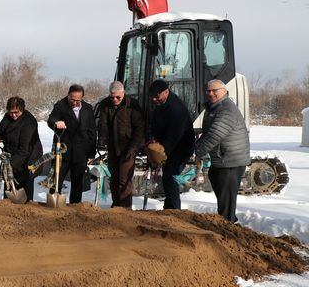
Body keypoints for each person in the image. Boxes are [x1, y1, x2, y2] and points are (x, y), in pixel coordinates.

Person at [194, 79, 251, 222]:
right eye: (208, 91)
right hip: (221, 161)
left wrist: (198, 151)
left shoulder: (226, 109)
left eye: (215, 90)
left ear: (224, 91)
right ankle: (228, 225)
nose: (211, 93)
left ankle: (227, 232)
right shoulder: (213, 108)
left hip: (231, 161)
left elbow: (214, 135)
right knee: (223, 200)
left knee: (226, 204)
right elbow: (208, 133)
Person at [96, 81, 144, 208]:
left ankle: (125, 208)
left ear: (123, 94)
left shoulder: (132, 105)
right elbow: (103, 124)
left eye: (118, 97)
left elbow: (139, 128)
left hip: (128, 146)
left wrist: (133, 147)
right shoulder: (105, 104)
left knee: (124, 179)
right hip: (113, 146)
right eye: (112, 97)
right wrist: (102, 139)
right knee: (114, 177)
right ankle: (116, 205)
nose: (115, 100)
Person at [149, 79, 195, 210]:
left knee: (171, 176)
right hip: (168, 146)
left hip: (181, 148)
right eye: (152, 97)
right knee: (168, 177)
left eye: (157, 96)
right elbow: (155, 126)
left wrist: (160, 158)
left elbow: (173, 137)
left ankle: (174, 209)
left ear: (166, 92)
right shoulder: (160, 105)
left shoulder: (176, 109)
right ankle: (169, 207)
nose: (154, 99)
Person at [46, 84, 96, 204]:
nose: (74, 102)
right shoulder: (60, 106)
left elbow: (92, 131)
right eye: (72, 99)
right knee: (57, 179)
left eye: (77, 100)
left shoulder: (88, 108)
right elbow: (51, 119)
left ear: (82, 98)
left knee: (77, 182)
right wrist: (56, 123)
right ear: (68, 95)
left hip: (81, 152)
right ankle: (54, 203)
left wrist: (91, 153)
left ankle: (75, 206)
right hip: (63, 151)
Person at [0, 96, 43, 203]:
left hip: (28, 159)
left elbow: (24, 149)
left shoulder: (29, 122)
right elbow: (0, 130)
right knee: (9, 185)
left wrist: (11, 164)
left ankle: (26, 209)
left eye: (16, 112)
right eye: (11, 112)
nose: (13, 115)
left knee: (25, 187)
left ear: (22, 109)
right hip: (11, 154)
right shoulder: (7, 117)